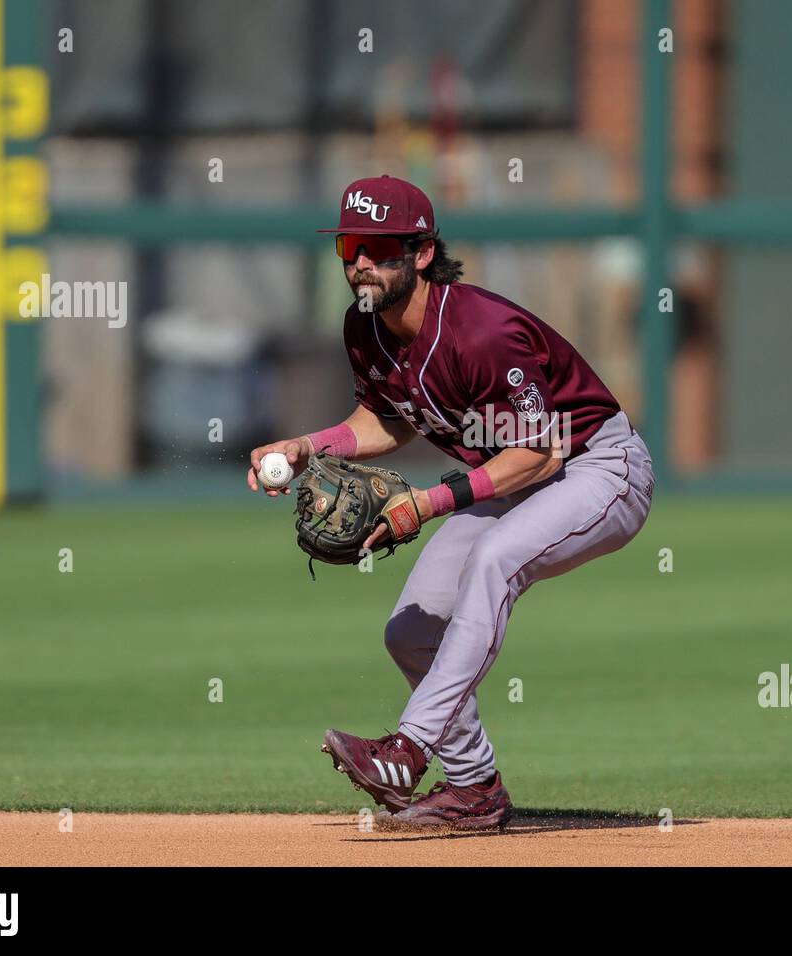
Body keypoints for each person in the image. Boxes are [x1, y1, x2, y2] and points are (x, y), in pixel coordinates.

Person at [247, 175, 654, 830]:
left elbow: (541, 453)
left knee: (497, 557)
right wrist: (306, 445)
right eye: (350, 245)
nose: (360, 263)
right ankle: (474, 790)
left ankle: (406, 752)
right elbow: (388, 419)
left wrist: (428, 502)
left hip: (597, 469)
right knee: (409, 631)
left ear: (423, 252)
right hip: (514, 475)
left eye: (378, 248)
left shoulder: (483, 332)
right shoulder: (364, 326)